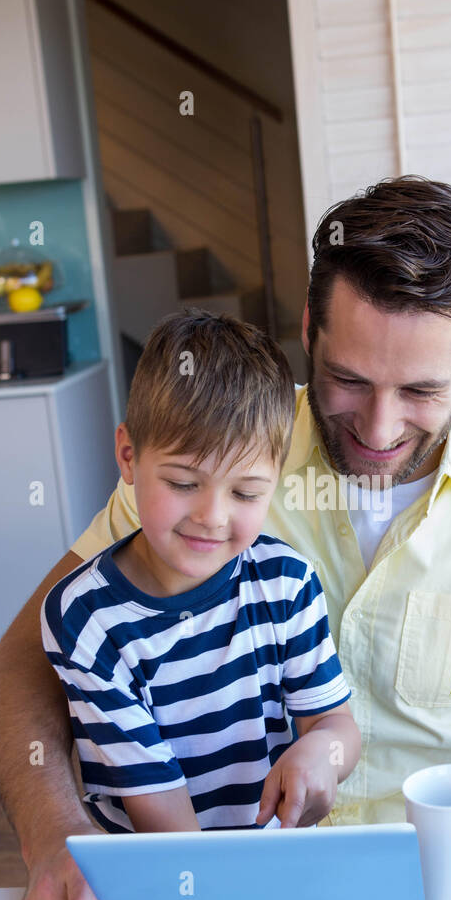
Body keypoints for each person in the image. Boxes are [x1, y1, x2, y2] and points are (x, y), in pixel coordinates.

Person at [0, 174, 451, 900]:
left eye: (421, 390)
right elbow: (13, 675)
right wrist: (55, 841)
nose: (379, 427)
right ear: (309, 329)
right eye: (350, 380)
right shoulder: (214, 457)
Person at [39, 311, 360, 837]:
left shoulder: (287, 583)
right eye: (184, 484)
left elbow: (334, 723)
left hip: (268, 858)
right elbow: (167, 825)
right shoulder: (86, 618)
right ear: (128, 456)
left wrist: (321, 752)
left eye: (246, 493)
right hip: (166, 864)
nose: (212, 517)